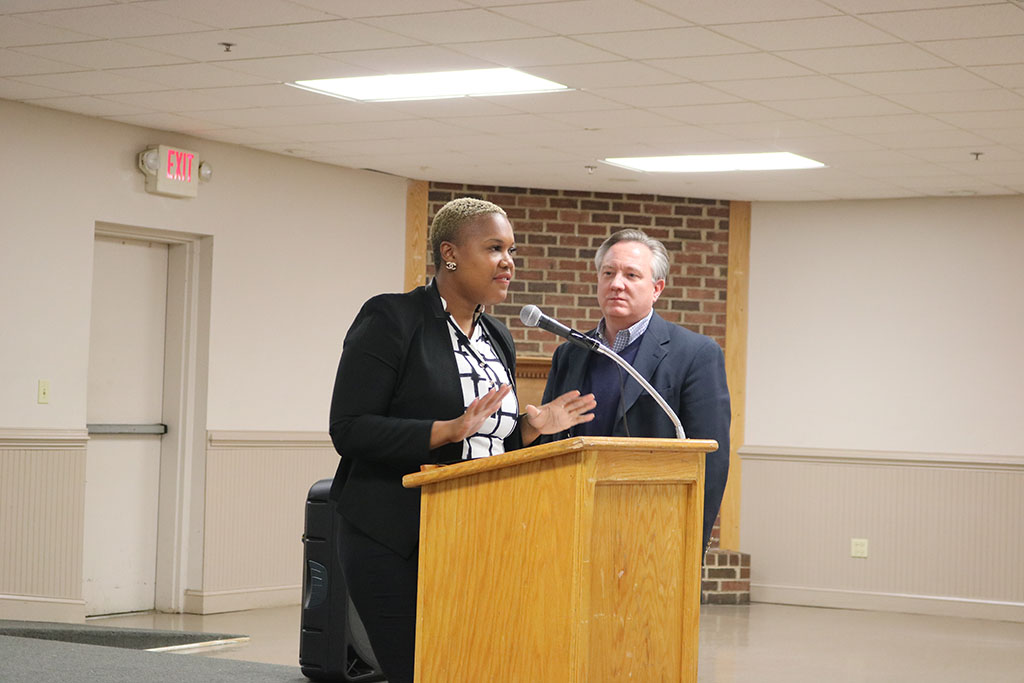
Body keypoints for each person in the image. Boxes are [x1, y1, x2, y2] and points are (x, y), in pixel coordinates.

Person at [327, 197, 595, 683]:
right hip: (395, 535)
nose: (508, 261)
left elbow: (488, 448)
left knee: (473, 667)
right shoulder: (393, 319)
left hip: (479, 535)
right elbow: (349, 428)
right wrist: (444, 431)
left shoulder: (497, 337)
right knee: (420, 671)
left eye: (512, 250)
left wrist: (532, 428)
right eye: (494, 248)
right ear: (449, 253)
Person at [540, 228, 731, 557]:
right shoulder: (570, 353)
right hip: (573, 525)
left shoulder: (696, 353)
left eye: (631, 275)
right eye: (608, 273)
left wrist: (689, 544)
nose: (617, 284)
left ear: (656, 288)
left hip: (654, 532)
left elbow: (710, 462)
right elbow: (549, 443)